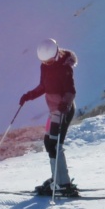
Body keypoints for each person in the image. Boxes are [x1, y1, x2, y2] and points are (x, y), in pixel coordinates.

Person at [19, 39, 79, 196]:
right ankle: (57, 179)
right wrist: (29, 96)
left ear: (56, 53)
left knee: (55, 144)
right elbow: (44, 86)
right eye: (44, 61)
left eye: (50, 61)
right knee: (48, 142)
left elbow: (71, 91)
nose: (47, 64)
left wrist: (65, 103)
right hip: (53, 111)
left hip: (63, 110)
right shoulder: (45, 66)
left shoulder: (65, 67)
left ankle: (63, 184)